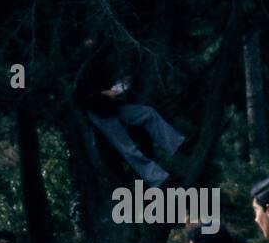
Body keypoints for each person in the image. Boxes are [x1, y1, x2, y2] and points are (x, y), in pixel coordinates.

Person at [74, 35, 185, 186]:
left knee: (148, 113)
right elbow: (80, 99)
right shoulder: (80, 67)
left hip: (113, 107)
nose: (91, 42)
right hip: (100, 114)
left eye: (92, 39)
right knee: (129, 149)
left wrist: (122, 84)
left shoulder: (101, 58)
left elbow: (117, 79)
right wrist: (102, 95)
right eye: (88, 40)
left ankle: (177, 144)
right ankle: (159, 180)